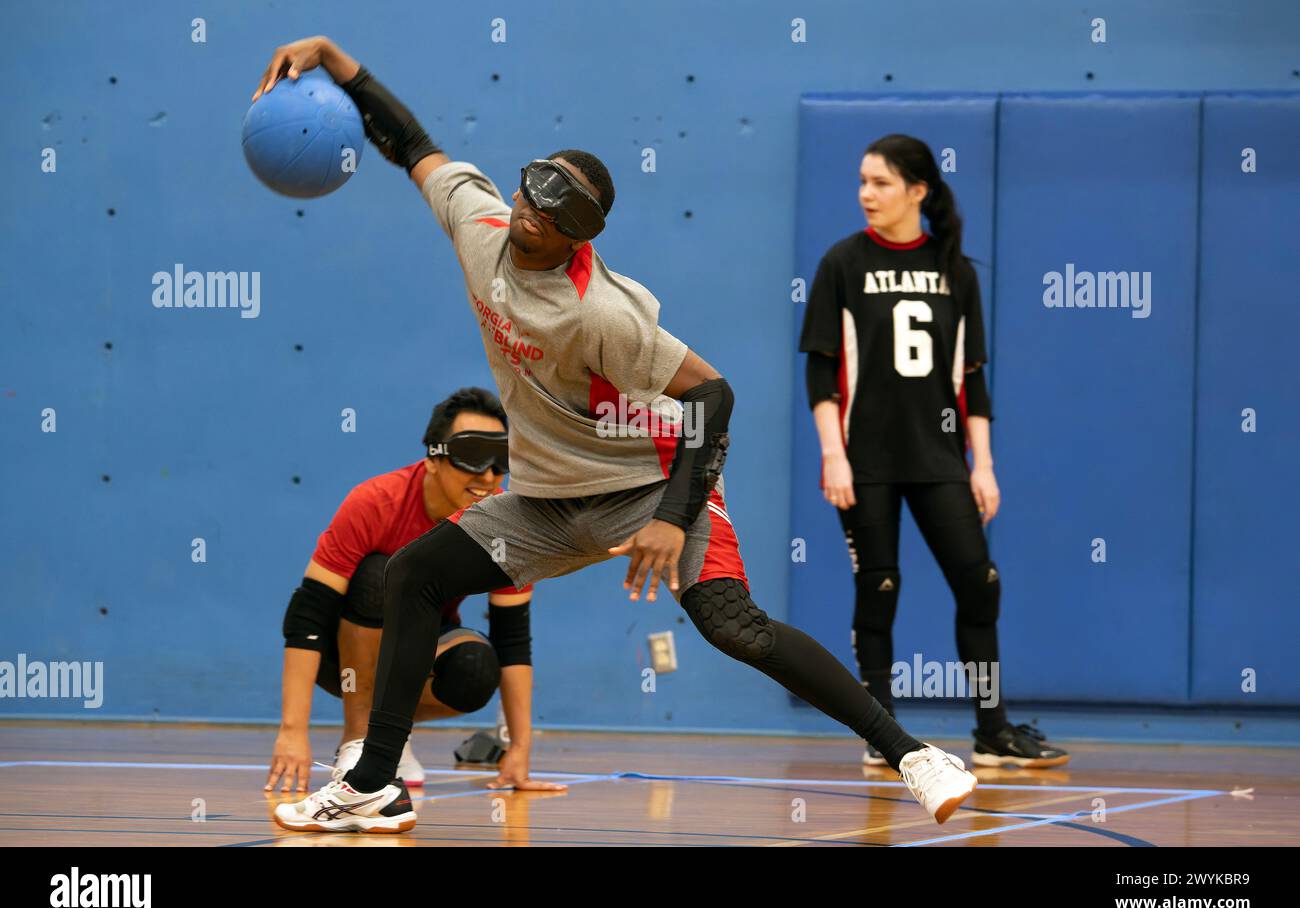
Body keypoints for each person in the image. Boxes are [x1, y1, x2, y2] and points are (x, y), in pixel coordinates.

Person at [253, 36, 978, 834]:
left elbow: (713, 393)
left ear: (577, 235)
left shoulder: (604, 313)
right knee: (416, 572)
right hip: (550, 492)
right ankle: (375, 782)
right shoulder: (480, 223)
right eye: (530, 191)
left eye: (548, 211)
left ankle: (912, 753)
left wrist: (673, 516)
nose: (527, 210)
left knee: (732, 626)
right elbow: (412, 144)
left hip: (654, 478)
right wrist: (338, 63)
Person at [801, 134, 1068, 769]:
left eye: (881, 183)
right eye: (862, 181)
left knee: (979, 582)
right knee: (880, 586)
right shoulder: (843, 262)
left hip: (940, 460)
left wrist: (985, 464)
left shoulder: (956, 270)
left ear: (917, 191)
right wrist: (832, 455)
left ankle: (993, 730)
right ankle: (882, 731)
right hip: (863, 461)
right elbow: (821, 371)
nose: (866, 194)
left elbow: (970, 376)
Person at [266, 387, 564, 795]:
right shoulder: (376, 502)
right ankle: (360, 744)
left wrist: (519, 750)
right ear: (434, 457)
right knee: (380, 574)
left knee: (476, 668)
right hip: (340, 656)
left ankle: (390, 735)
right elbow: (308, 614)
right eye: (471, 455)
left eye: (500, 461)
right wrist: (292, 732)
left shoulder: (506, 524)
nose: (488, 476)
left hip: (420, 652)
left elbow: (512, 639)